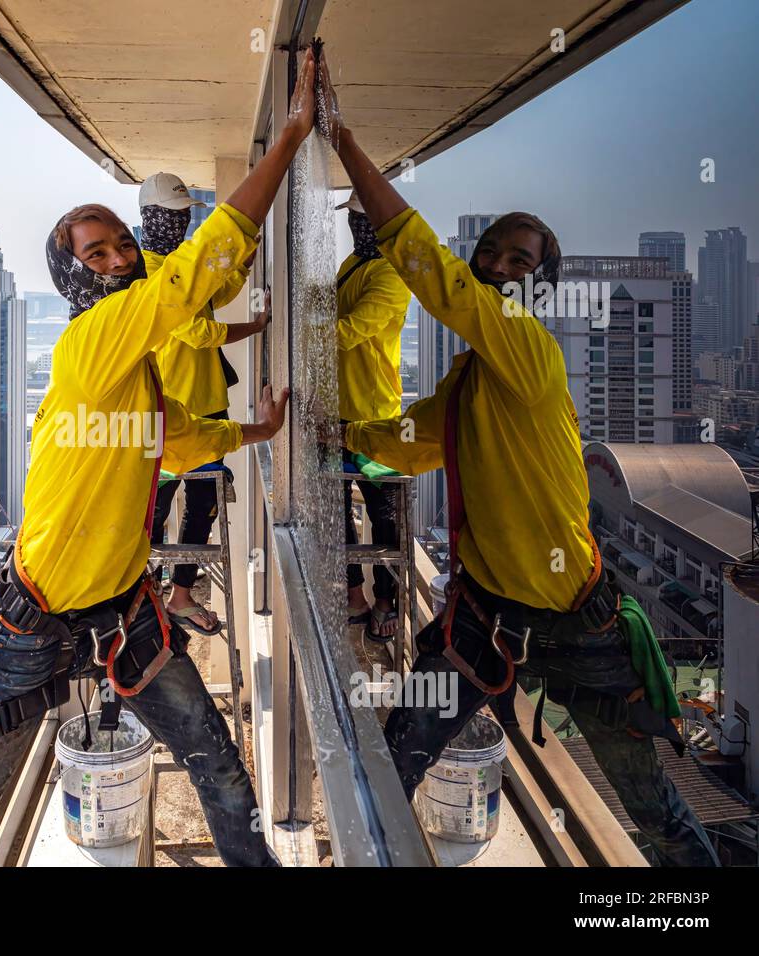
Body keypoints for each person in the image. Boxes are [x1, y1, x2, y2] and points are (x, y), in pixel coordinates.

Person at [0, 48, 322, 868]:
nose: (121, 259)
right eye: (98, 254)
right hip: (37, 618)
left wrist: (249, 437)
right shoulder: (95, 339)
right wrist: (289, 138)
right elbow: (196, 278)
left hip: (122, 608)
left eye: (123, 244)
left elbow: (168, 439)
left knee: (220, 767)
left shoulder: (130, 362)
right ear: (72, 277)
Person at [315, 52, 718, 866]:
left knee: (652, 808)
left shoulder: (527, 348)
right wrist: (328, 439)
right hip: (483, 619)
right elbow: (413, 442)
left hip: (574, 624)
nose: (498, 266)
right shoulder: (473, 378)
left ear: (538, 289)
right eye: (492, 252)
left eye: (519, 262)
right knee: (395, 756)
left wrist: (345, 143)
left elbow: (434, 279)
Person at [138, 171, 270, 635]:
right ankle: (145, 592)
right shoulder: (147, 272)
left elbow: (215, 296)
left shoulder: (180, 261)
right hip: (173, 405)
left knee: (203, 500)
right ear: (151, 217)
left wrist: (242, 266)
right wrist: (253, 328)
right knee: (155, 503)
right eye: (174, 215)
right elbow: (197, 332)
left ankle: (180, 593)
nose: (181, 223)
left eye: (185, 215)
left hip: (208, 399)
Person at [332, 189, 411, 640]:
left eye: (361, 221)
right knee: (340, 509)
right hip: (340, 412)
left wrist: (295, 334)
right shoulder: (352, 266)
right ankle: (353, 595)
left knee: (384, 514)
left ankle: (386, 599)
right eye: (354, 221)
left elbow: (351, 330)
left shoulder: (390, 275)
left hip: (377, 416)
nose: (355, 229)